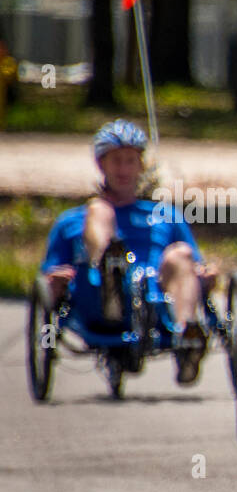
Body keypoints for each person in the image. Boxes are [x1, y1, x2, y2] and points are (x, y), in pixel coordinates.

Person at [39, 119, 211, 384]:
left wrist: (207, 275)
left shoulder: (165, 215)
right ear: (101, 164)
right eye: (116, 160)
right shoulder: (73, 220)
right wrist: (56, 280)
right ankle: (111, 270)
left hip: (157, 299)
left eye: (130, 161)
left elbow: (196, 269)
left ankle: (187, 336)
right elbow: (49, 278)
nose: (123, 169)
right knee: (100, 209)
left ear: (141, 165)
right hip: (96, 300)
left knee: (181, 254)